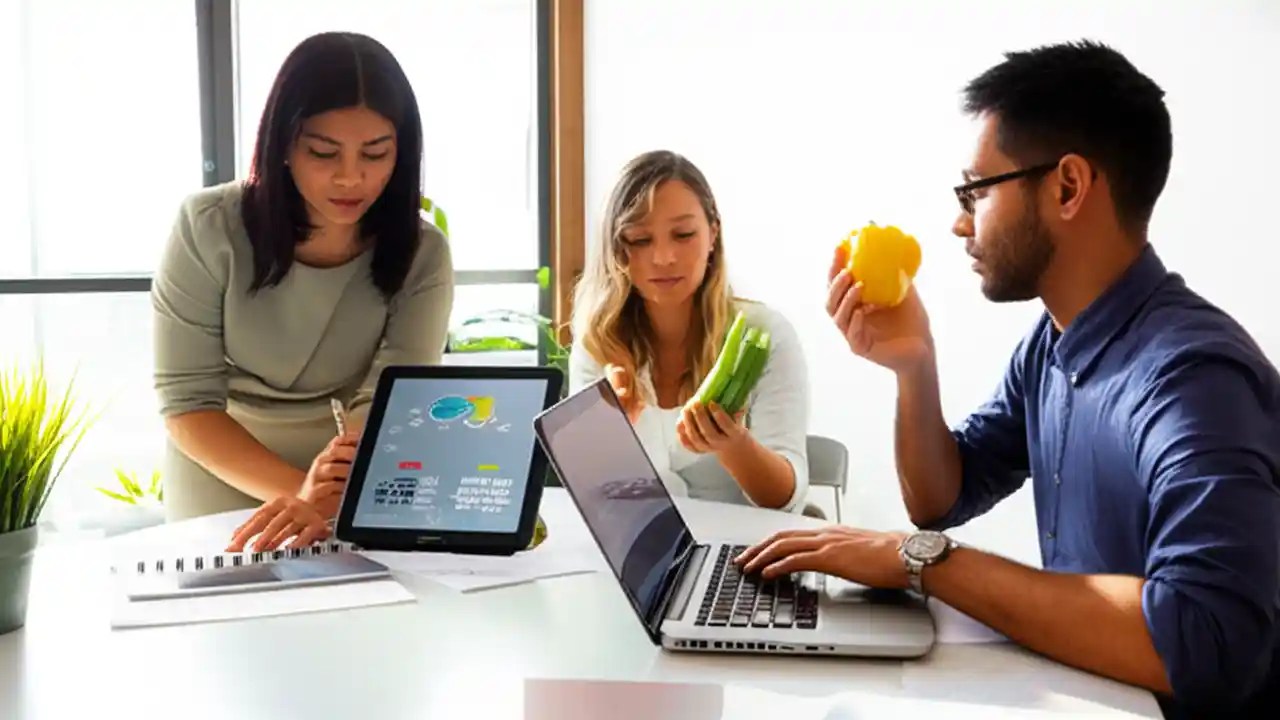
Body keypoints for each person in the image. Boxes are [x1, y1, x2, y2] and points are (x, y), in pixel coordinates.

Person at [735, 40, 1279, 718]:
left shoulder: (1193, 380)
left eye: (977, 191)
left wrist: (921, 560)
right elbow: (942, 497)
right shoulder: (1051, 345)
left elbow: (1209, 643)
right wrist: (915, 366)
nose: (959, 222)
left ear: (1068, 187)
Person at [152, 31, 454, 544]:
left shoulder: (422, 252)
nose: (350, 177)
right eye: (323, 152)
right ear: (284, 145)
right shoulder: (207, 226)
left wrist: (330, 493)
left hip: (347, 481)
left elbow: (392, 400)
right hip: (223, 474)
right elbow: (186, 403)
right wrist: (299, 494)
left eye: (375, 154)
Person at [568, 150, 810, 513]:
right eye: (640, 239)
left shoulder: (765, 335)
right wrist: (610, 443)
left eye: (683, 234)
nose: (664, 257)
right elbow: (592, 495)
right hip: (645, 542)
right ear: (615, 249)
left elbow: (786, 500)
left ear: (713, 234)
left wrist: (734, 446)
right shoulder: (599, 344)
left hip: (746, 544)